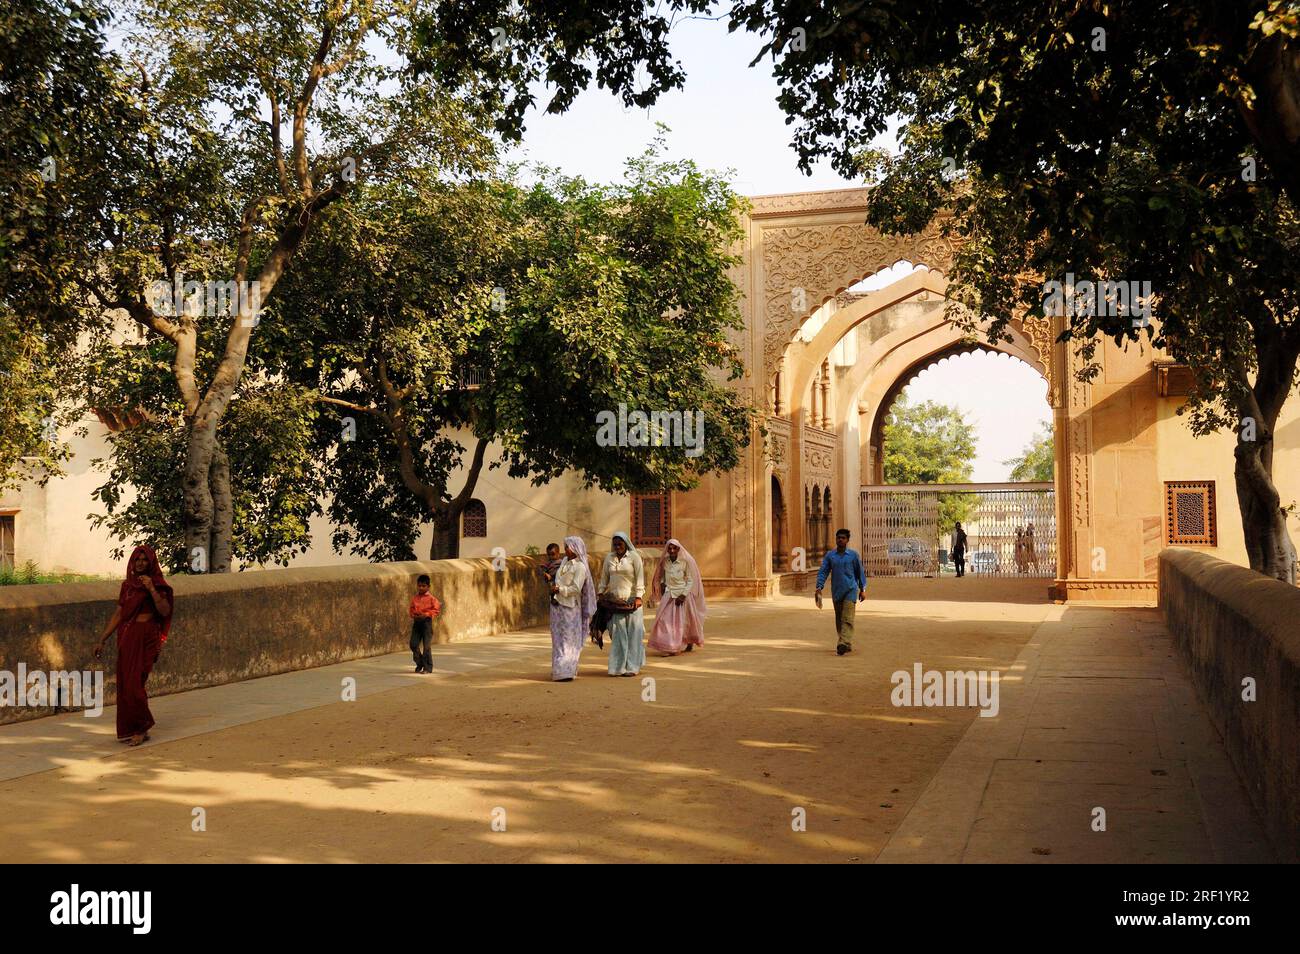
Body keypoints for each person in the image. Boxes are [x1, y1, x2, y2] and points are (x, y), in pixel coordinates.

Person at [94, 544, 174, 746]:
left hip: (147, 637)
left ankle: (142, 726)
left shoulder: (158, 584)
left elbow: (165, 611)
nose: (140, 563)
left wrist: (151, 589)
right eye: (137, 559)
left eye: (144, 559)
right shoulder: (128, 586)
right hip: (128, 636)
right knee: (126, 684)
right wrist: (102, 639)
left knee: (135, 684)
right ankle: (134, 727)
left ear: (151, 562)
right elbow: (119, 614)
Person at [598, 531, 646, 676]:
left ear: (626, 543)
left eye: (620, 544)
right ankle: (617, 667)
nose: (617, 546)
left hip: (632, 602)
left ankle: (632, 667)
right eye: (615, 544)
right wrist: (600, 593)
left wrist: (638, 597)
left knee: (633, 634)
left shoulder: (634, 557)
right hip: (615, 602)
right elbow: (604, 578)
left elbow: (640, 578)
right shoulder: (609, 558)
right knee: (618, 635)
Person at [647, 538, 707, 655]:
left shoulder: (684, 562)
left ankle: (686, 642)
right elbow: (663, 577)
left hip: (682, 596)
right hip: (669, 594)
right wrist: (662, 584)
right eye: (669, 548)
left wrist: (683, 595)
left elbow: (690, 580)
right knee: (664, 620)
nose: (672, 550)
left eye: (674, 548)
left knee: (683, 622)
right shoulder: (665, 562)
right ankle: (670, 646)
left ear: (678, 549)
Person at [549, 535, 595, 681]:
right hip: (557, 606)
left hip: (570, 608)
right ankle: (558, 670)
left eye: (568, 547)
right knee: (558, 638)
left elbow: (576, 588)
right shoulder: (564, 562)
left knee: (568, 639)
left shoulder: (580, 567)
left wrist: (560, 589)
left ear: (575, 548)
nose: (565, 550)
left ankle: (567, 671)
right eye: (565, 547)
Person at [815, 528, 867, 656]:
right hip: (837, 591)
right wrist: (819, 587)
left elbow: (860, 573)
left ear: (847, 540)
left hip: (851, 590)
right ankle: (845, 643)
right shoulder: (830, 556)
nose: (840, 540)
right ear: (836, 539)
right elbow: (823, 571)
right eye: (838, 538)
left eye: (843, 538)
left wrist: (862, 589)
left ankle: (843, 643)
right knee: (839, 618)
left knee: (847, 617)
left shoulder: (853, 556)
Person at [408, 574, 441, 674]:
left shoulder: (432, 599)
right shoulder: (415, 598)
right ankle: (420, 663)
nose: (421, 588)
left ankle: (427, 667)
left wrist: (426, 614)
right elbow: (411, 609)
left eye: (423, 586)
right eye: (419, 586)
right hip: (417, 623)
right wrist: (414, 615)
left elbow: (436, 610)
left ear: (428, 586)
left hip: (426, 623)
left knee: (426, 647)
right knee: (413, 644)